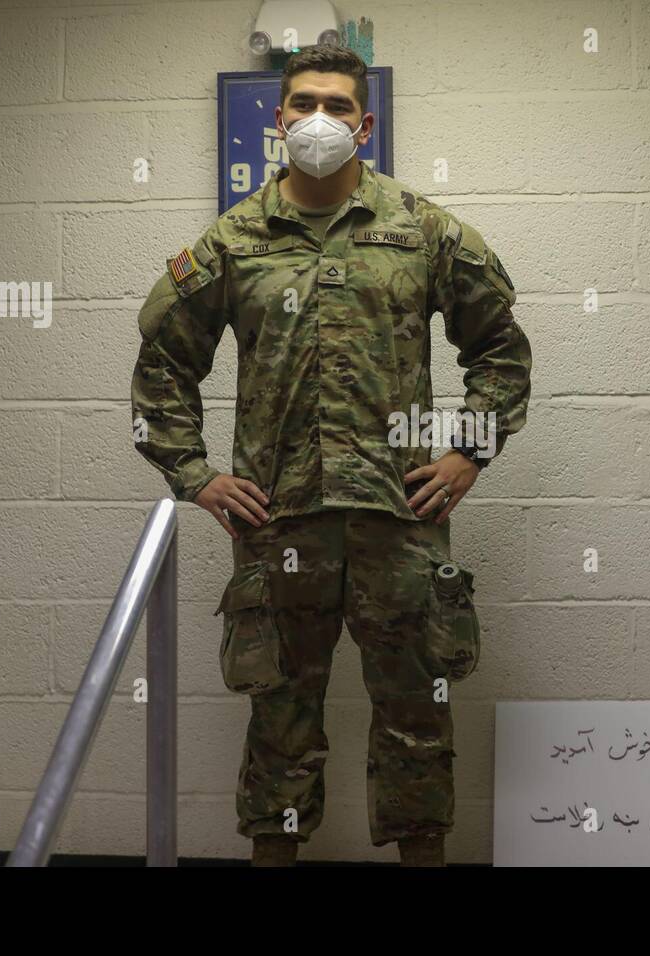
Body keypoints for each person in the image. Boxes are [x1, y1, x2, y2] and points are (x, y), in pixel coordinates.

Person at [130, 44, 531, 866]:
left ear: (365, 122)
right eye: (304, 103)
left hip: (401, 523)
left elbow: (500, 351)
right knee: (280, 723)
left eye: (338, 106)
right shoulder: (235, 242)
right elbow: (162, 365)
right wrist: (197, 477)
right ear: (278, 121)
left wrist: (467, 454)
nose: (320, 119)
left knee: (417, 720)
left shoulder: (423, 232)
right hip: (281, 526)